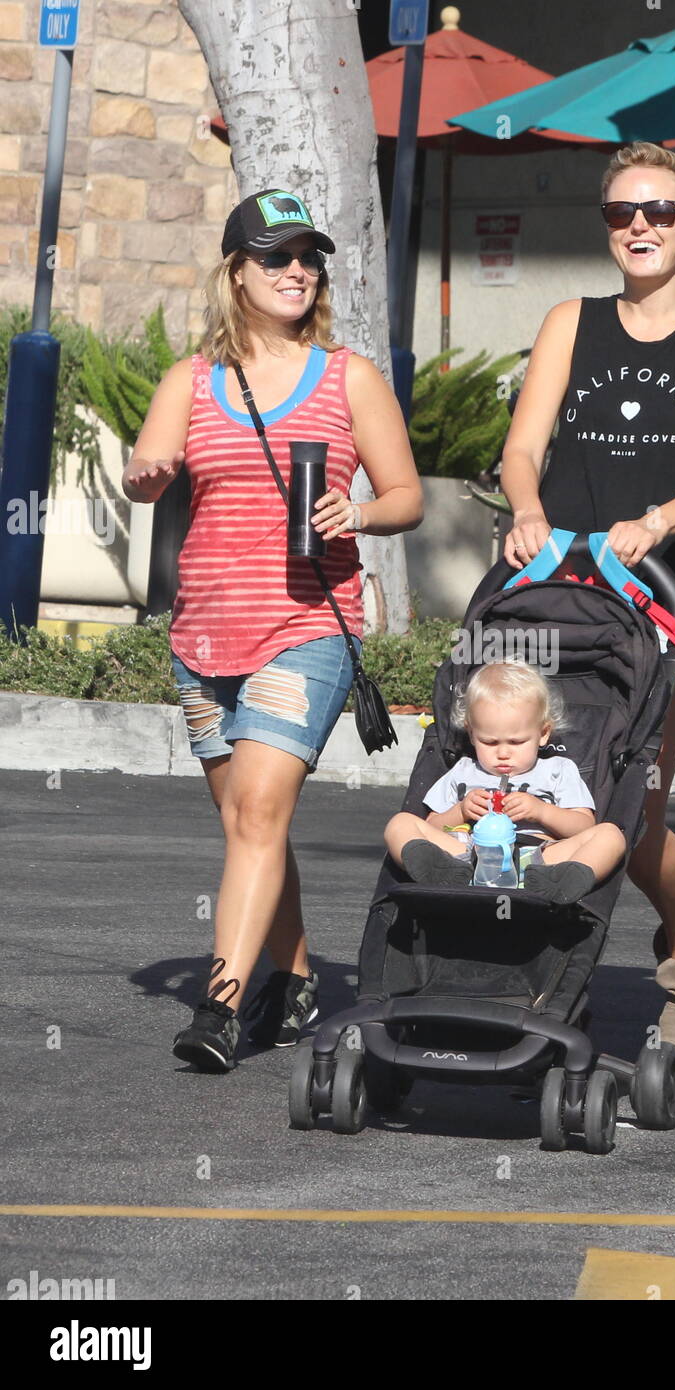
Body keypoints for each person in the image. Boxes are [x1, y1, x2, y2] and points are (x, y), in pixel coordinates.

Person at [123, 188, 423, 1072]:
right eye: (276, 257)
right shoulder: (191, 380)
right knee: (251, 824)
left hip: (306, 628)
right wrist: (147, 476)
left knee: (258, 812)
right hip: (202, 638)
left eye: (309, 258)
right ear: (235, 272)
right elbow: (149, 472)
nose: (298, 271)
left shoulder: (349, 377)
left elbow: (407, 495)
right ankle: (294, 978)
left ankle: (221, 1007)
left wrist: (357, 513)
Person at [499, 143, 675, 1061]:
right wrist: (527, 509)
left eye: (658, 211)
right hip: (557, 592)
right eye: (620, 213)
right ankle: (519, 977)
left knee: (635, 806)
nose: (639, 225)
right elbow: (522, 447)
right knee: (522, 787)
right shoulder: (571, 321)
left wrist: (656, 520)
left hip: (664, 601)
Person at [384, 661, 625, 904]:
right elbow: (432, 825)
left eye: (516, 742)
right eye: (489, 742)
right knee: (400, 823)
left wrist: (541, 811)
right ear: (471, 734)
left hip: (538, 858)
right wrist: (461, 811)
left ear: (543, 734)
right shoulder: (464, 770)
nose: (503, 754)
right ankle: (442, 873)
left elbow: (584, 826)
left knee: (610, 835)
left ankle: (560, 882)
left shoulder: (558, 770)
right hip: (470, 856)